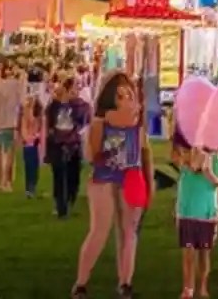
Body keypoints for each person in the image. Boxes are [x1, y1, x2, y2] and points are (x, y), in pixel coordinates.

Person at [73, 72, 152, 298]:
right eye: (120, 95)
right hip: (105, 178)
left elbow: (145, 153)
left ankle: (126, 283)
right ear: (110, 98)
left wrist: (149, 181)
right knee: (99, 230)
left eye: (129, 94)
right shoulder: (100, 121)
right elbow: (92, 154)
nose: (127, 99)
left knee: (129, 232)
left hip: (131, 177)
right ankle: (81, 282)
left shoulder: (138, 124)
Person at [174, 141, 218, 299]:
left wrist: (207, 171)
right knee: (188, 252)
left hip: (206, 213)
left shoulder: (217, 160)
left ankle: (202, 287)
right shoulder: (187, 155)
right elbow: (182, 161)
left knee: (204, 252)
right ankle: (188, 288)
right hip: (187, 210)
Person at [47, 76, 91, 218]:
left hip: (74, 145)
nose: (77, 88)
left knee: (73, 176)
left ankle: (69, 200)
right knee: (59, 176)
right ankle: (61, 207)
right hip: (58, 145)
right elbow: (49, 122)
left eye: (79, 85)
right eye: (75, 85)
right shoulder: (54, 106)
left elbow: (84, 121)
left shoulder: (81, 106)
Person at [0, 62, 24, 192]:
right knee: (8, 153)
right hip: (9, 122)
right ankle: (6, 182)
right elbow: (22, 102)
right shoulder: (14, 84)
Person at [20, 95, 45, 198]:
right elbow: (24, 131)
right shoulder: (26, 117)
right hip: (30, 145)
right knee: (30, 168)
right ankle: (30, 188)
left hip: (32, 145)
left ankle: (30, 188)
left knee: (32, 168)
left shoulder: (38, 119)